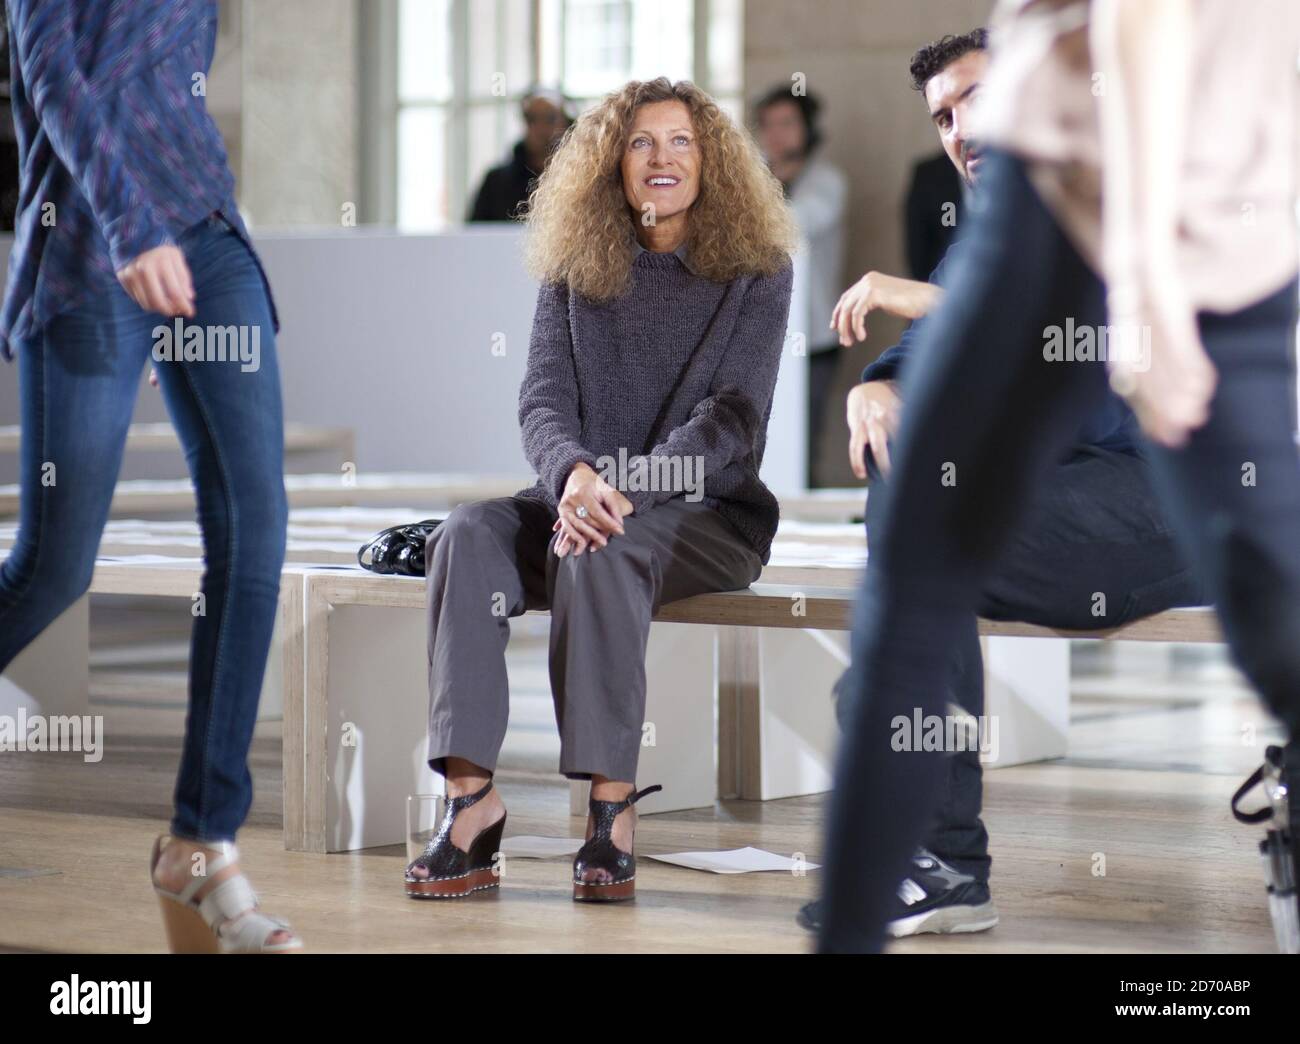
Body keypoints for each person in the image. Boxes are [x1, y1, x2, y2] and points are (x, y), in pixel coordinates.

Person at [817, 0, 1300, 953]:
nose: (960, 134)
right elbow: (952, 333)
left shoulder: (1205, 140)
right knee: (908, 560)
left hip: (1160, 486)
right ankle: (930, 871)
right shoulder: (1009, 206)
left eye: (975, 103)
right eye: (944, 119)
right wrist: (876, 385)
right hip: (1081, 495)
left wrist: (1149, 285)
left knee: (1274, 609)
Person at [406, 77, 797, 903]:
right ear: (613, 164)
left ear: (711, 161)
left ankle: (609, 812)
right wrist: (574, 476)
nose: (662, 158)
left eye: (681, 142)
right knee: (465, 536)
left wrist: (616, 491)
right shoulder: (578, 264)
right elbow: (542, 399)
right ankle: (470, 806)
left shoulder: (758, 269)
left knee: (601, 553)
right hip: (580, 500)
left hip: (707, 513)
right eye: (641, 143)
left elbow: (734, 421)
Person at [0, 1, 298, 952]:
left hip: (208, 233)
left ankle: (202, 843)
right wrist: (133, 224)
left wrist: (179, 210)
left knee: (255, 534)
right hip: (91, 243)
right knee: (56, 565)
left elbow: (175, 78)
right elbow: (52, 77)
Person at [754, 86, 848, 487]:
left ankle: (801, 519)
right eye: (769, 125)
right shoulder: (753, 176)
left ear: (808, 129)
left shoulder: (827, 181)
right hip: (759, 332)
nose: (776, 134)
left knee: (804, 436)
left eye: (787, 123)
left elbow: (792, 227)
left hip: (813, 334)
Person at [467, 88, 573, 222]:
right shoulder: (496, 182)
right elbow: (474, 233)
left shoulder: (579, 180)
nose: (540, 127)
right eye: (531, 119)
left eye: (549, 118)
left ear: (566, 122)